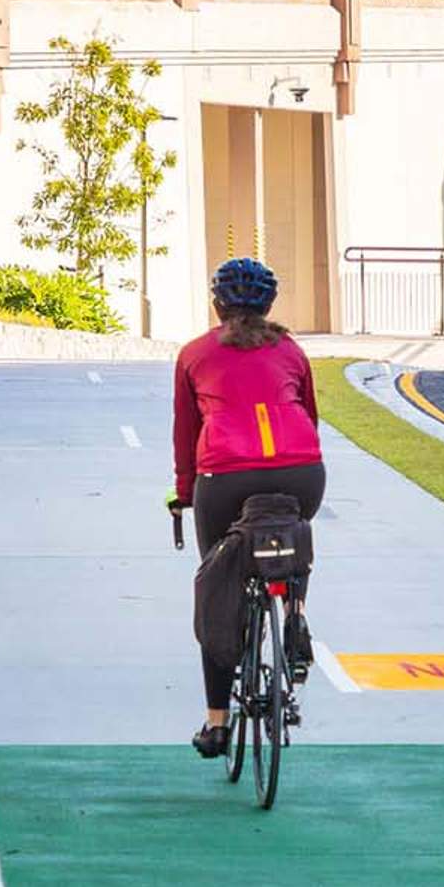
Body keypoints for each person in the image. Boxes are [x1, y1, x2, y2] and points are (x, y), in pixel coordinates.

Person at [170, 256, 325, 758]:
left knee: (218, 587)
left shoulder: (195, 353)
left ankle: (217, 723)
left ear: (216, 305)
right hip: (301, 470)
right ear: (269, 305)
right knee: (289, 540)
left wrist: (186, 492)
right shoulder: (292, 350)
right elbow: (311, 417)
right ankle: (294, 610)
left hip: (225, 476)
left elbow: (186, 434)